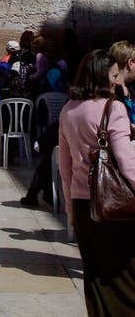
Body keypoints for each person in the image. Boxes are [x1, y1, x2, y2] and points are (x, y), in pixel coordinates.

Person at [59, 49, 135, 316]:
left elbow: (64, 165)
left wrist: (69, 208)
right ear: (102, 77)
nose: (117, 81)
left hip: (82, 205)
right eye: (114, 76)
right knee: (124, 279)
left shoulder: (68, 110)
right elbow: (127, 163)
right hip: (113, 205)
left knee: (95, 278)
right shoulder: (113, 108)